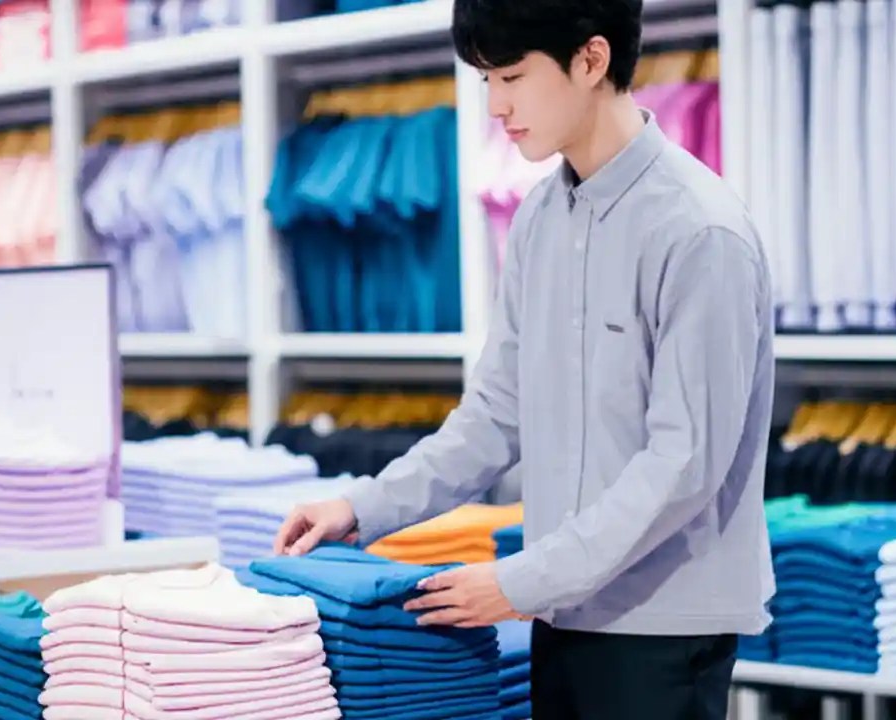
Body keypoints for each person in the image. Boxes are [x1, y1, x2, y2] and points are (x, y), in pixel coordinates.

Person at [273, 0, 776, 717]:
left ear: (592, 60)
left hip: (662, 630)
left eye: (510, 76)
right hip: (560, 616)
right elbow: (494, 415)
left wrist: (520, 580)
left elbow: (683, 466)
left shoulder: (700, 232)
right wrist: (362, 507)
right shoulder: (542, 218)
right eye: (485, 82)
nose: (496, 107)